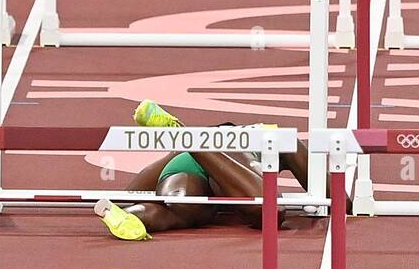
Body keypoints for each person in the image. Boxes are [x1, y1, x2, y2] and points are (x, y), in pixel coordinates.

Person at [94, 100, 314, 241]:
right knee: (270, 211)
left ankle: (136, 217)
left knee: (180, 207)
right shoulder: (273, 136)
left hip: (186, 161)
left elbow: (130, 193)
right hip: (227, 155)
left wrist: (118, 204)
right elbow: (338, 198)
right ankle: (186, 136)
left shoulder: (181, 154)